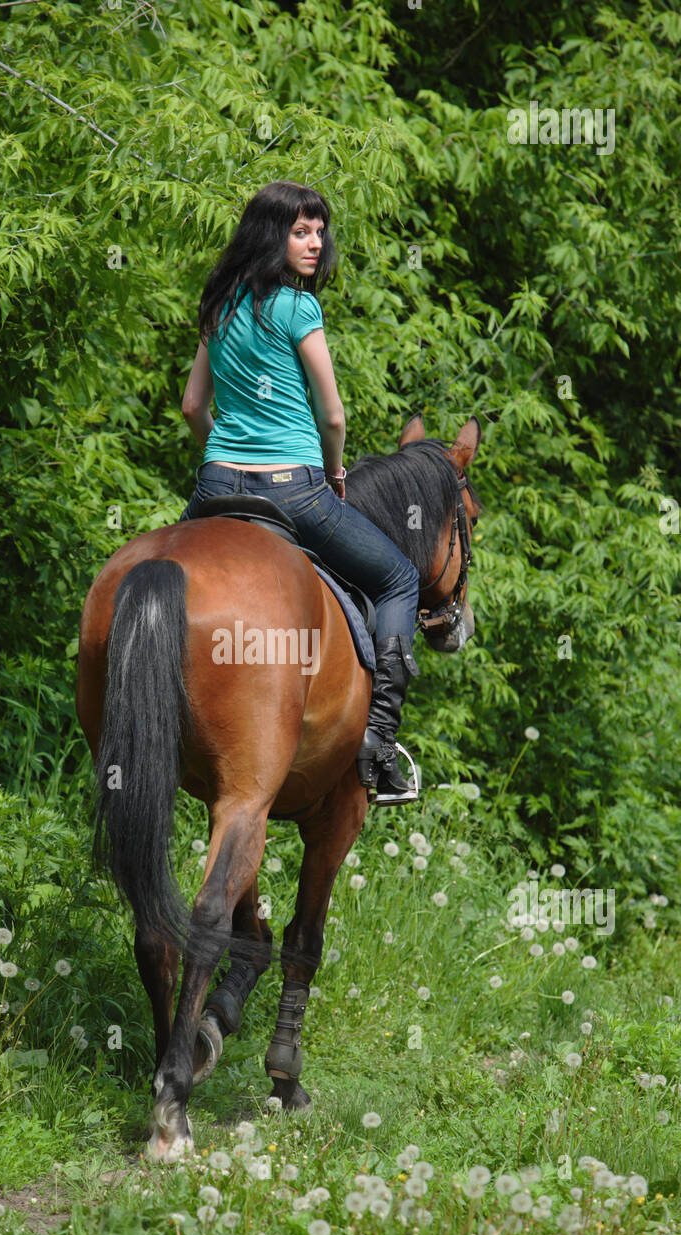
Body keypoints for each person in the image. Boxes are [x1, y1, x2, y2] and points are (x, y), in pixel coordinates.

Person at [178, 180, 420, 805]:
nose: (316, 243)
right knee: (397, 579)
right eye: (301, 231)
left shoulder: (219, 303)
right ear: (271, 234)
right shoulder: (299, 308)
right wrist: (335, 473)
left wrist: (223, 451)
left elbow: (192, 406)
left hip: (216, 486)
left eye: (319, 231)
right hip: (293, 489)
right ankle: (381, 746)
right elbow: (332, 414)